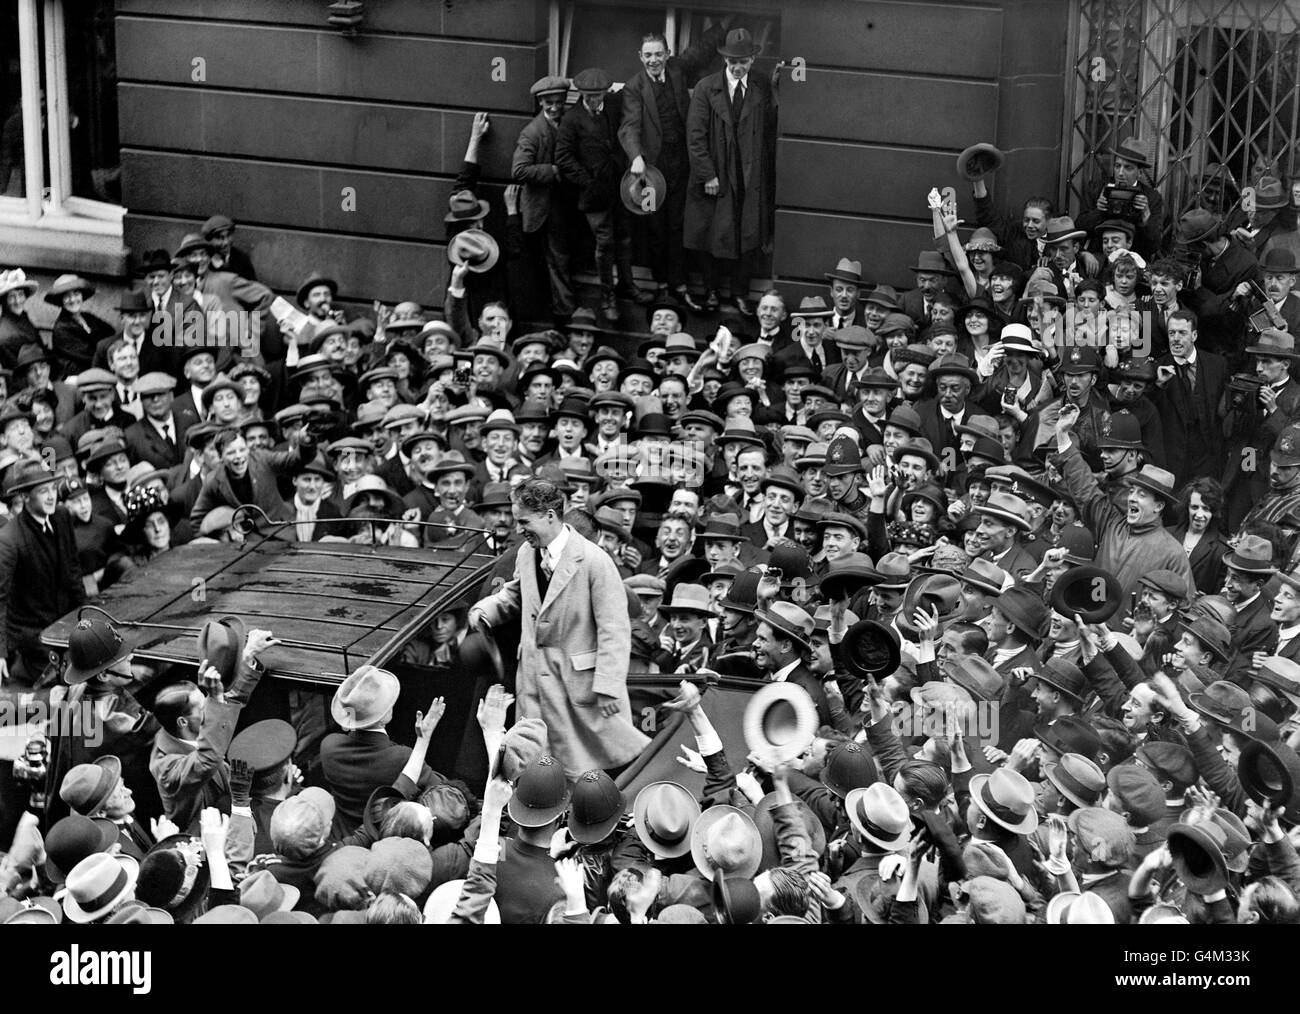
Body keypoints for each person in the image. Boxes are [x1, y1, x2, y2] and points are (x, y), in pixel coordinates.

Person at [470, 477, 649, 778]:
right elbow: (517, 592)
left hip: (577, 688)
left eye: (524, 521)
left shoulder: (596, 562)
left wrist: (608, 686)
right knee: (535, 771)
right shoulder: (527, 552)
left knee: (581, 772)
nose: (518, 529)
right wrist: (487, 609)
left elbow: (614, 631)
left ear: (549, 516)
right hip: (534, 685)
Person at [683, 27, 776, 317]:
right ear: (724, 59)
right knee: (710, 234)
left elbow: (772, 126)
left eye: (744, 61)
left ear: (752, 60)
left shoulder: (760, 87)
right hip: (716, 174)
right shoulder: (706, 87)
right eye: (733, 62)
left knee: (746, 234)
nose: (738, 67)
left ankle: (739, 293)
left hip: (748, 175)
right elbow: (695, 135)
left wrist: (776, 88)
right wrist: (707, 174)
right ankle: (710, 291)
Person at [0, 463, 85, 686]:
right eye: (42, 491)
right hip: (33, 634)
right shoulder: (10, 539)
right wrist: (0, 653)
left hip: (66, 621)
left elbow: (74, 570)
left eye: (52, 489)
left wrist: (86, 617)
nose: (51, 497)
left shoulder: (62, 516)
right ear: (26, 497)